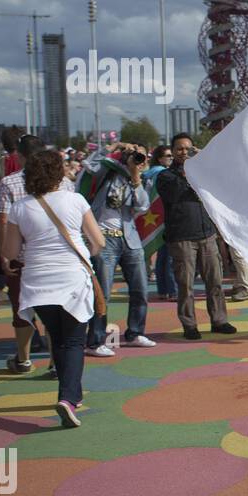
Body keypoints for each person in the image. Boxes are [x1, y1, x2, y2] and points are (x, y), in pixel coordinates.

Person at [0, 150, 103, 428]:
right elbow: (98, 241)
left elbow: (9, 251)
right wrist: (87, 252)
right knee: (73, 340)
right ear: (59, 172)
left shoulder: (20, 207)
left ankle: (72, 394)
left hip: (37, 280)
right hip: (72, 278)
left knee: (57, 336)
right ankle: (67, 397)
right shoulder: (76, 200)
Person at [155, 133, 236, 340]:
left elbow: (220, 182)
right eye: (180, 149)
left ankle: (219, 320)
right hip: (182, 238)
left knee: (215, 281)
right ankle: (189, 324)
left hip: (207, 235)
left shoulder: (202, 173)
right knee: (185, 285)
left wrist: (204, 163)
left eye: (188, 149)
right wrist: (192, 169)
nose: (184, 152)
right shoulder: (166, 176)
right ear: (172, 152)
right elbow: (176, 193)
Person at [82, 142, 156, 356]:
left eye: (142, 157)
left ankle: (135, 332)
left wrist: (135, 176)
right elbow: (89, 164)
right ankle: (95, 341)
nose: (138, 160)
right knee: (103, 292)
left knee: (140, 289)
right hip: (104, 238)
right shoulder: (108, 169)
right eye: (135, 155)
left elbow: (142, 206)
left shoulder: (142, 178)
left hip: (130, 239)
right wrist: (112, 146)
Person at [0, 134, 49, 374]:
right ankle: (55, 362)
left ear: (20, 156)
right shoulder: (63, 182)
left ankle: (24, 359)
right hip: (51, 256)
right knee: (53, 308)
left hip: (21, 256)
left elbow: (2, 221)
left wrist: (4, 255)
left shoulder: (9, 183)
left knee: (22, 307)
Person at [144, 146, 177, 301]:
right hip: (164, 215)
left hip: (153, 218)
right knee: (170, 256)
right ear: (159, 158)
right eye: (168, 156)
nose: (171, 158)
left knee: (162, 255)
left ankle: (163, 289)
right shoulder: (161, 173)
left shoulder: (148, 174)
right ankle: (173, 290)